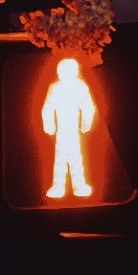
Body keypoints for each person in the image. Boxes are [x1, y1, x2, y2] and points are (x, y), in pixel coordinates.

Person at [40, 53, 100, 202]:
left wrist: (86, 123)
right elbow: (48, 108)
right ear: (58, 73)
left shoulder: (80, 87)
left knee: (75, 157)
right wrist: (49, 124)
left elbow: (88, 106)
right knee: (61, 157)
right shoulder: (55, 88)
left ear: (75, 73)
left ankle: (78, 185)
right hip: (62, 128)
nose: (64, 75)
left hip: (73, 128)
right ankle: (58, 186)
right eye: (62, 72)